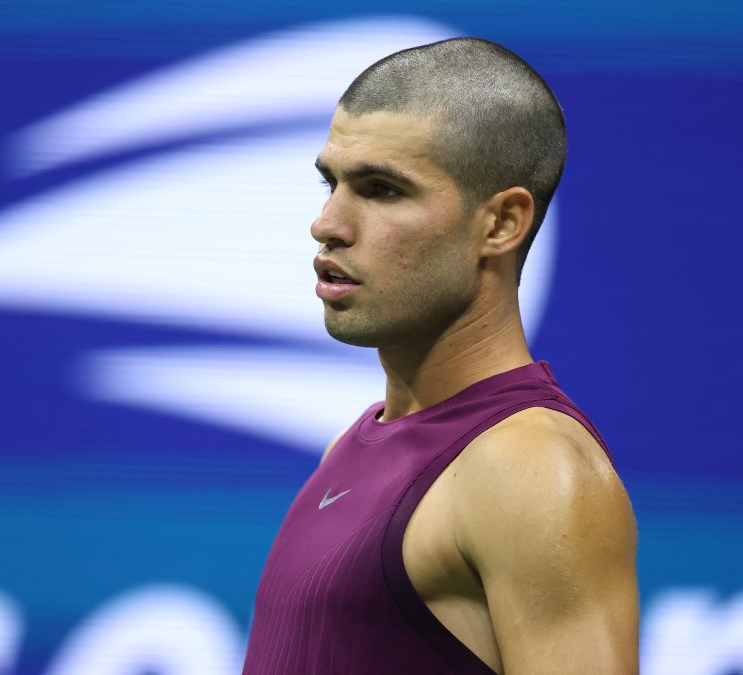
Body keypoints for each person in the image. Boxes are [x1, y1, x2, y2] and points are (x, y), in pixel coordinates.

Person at [241, 38, 638, 674]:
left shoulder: (530, 468)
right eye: (331, 182)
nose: (327, 224)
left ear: (501, 224)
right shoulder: (351, 446)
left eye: (381, 189)